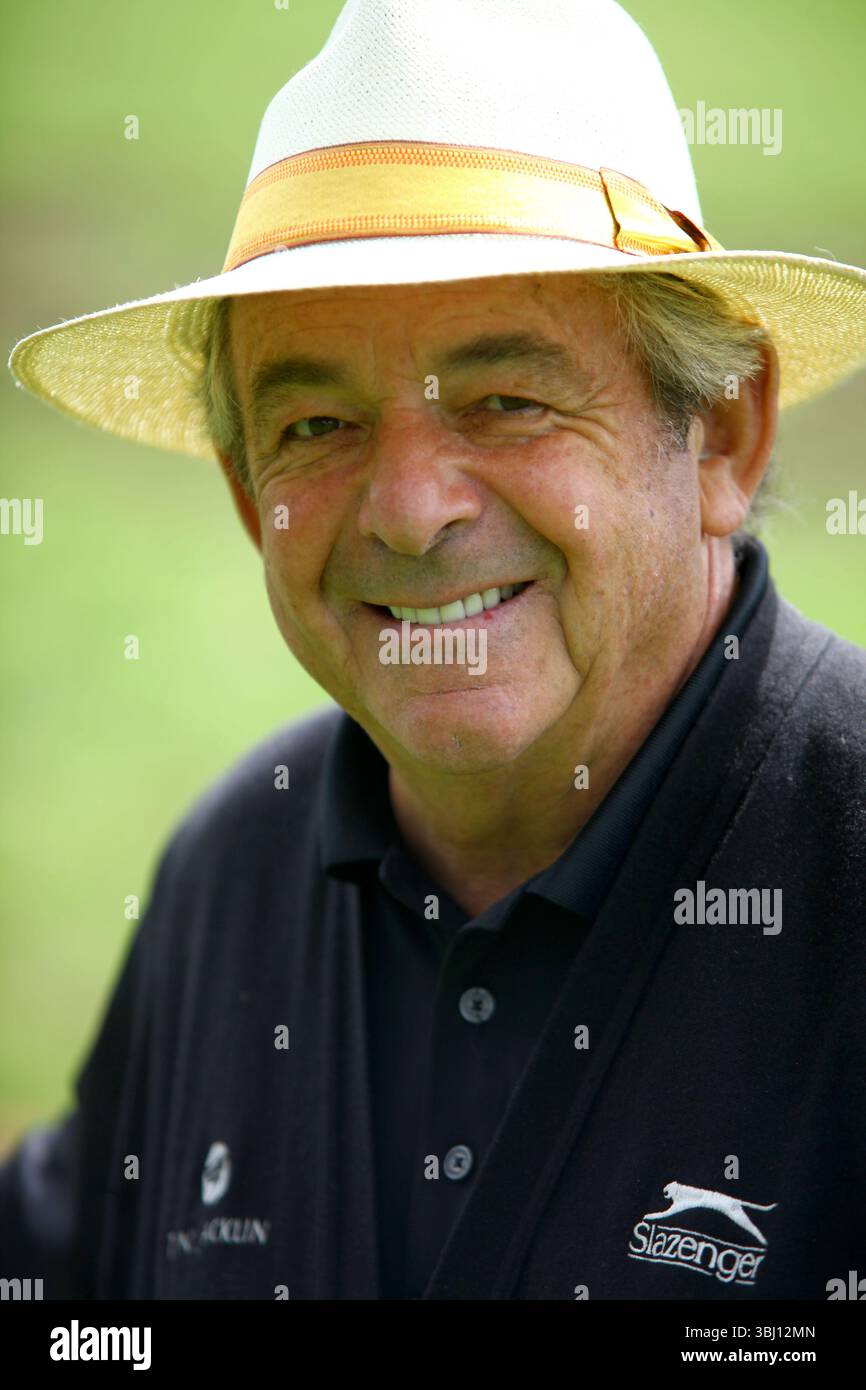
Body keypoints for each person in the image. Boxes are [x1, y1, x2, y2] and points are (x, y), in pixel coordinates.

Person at [3, 0, 865, 1300]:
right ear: (251, 501)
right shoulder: (228, 871)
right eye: (313, 423)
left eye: (505, 400)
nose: (409, 510)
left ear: (721, 440)